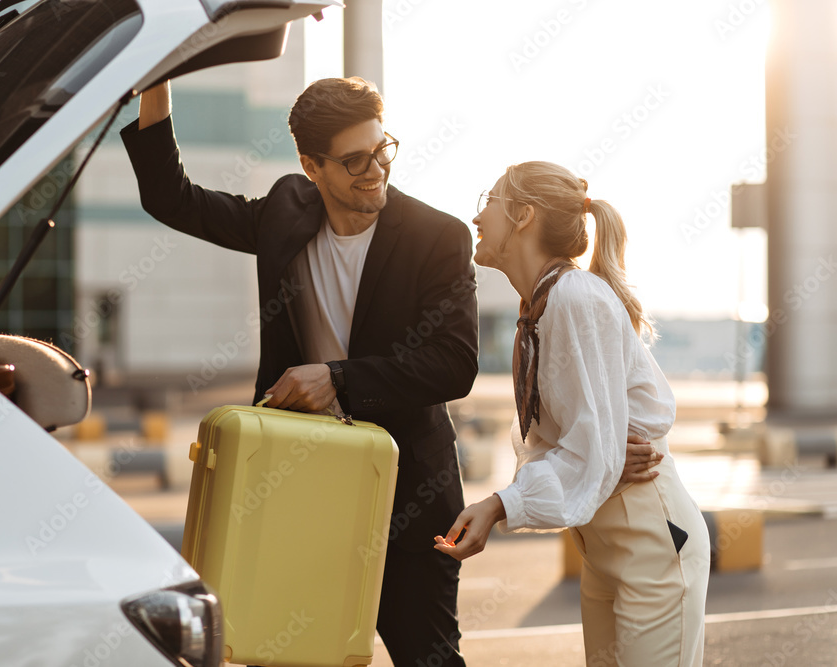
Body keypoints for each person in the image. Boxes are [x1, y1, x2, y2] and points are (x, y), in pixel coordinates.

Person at [121, 77, 477, 666]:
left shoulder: (436, 237)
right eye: (354, 160)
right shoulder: (285, 211)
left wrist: (337, 377)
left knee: (429, 659)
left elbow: (455, 363)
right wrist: (158, 81)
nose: (375, 170)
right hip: (298, 488)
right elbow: (171, 198)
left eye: (382, 149)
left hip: (406, 493)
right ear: (311, 166)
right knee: (286, 656)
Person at [434, 162, 710, 666]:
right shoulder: (537, 307)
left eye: (489, 200)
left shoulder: (576, 298)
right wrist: (592, 459)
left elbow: (592, 455)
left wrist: (500, 505)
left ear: (522, 214)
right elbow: (575, 450)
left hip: (651, 542)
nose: (477, 216)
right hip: (603, 548)